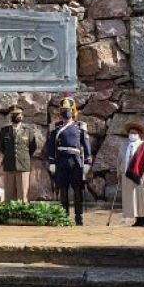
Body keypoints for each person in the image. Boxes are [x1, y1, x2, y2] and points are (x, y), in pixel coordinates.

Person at [47, 96, 92, 226]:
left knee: (77, 189)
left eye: (68, 110)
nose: (65, 112)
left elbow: (86, 144)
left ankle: (79, 216)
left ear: (73, 111)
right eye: (63, 110)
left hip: (75, 160)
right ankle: (64, 216)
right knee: (63, 190)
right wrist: (52, 162)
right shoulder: (55, 127)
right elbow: (50, 146)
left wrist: (87, 162)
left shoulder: (80, 126)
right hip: (61, 160)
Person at [117, 120, 144, 227]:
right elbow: (119, 160)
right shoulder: (124, 146)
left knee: (142, 198)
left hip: (142, 176)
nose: (132, 134)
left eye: (135, 133)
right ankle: (137, 219)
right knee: (133, 199)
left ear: (139, 134)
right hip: (127, 175)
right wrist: (119, 172)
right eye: (131, 132)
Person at [0, 105, 36, 202]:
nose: (17, 116)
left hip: (23, 165)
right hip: (9, 165)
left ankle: (23, 216)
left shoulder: (28, 131)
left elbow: (32, 147)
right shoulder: (4, 131)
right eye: (14, 114)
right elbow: (2, 147)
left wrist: (23, 157)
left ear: (22, 116)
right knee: (8, 195)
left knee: (23, 195)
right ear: (11, 116)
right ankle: (8, 216)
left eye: (19, 114)